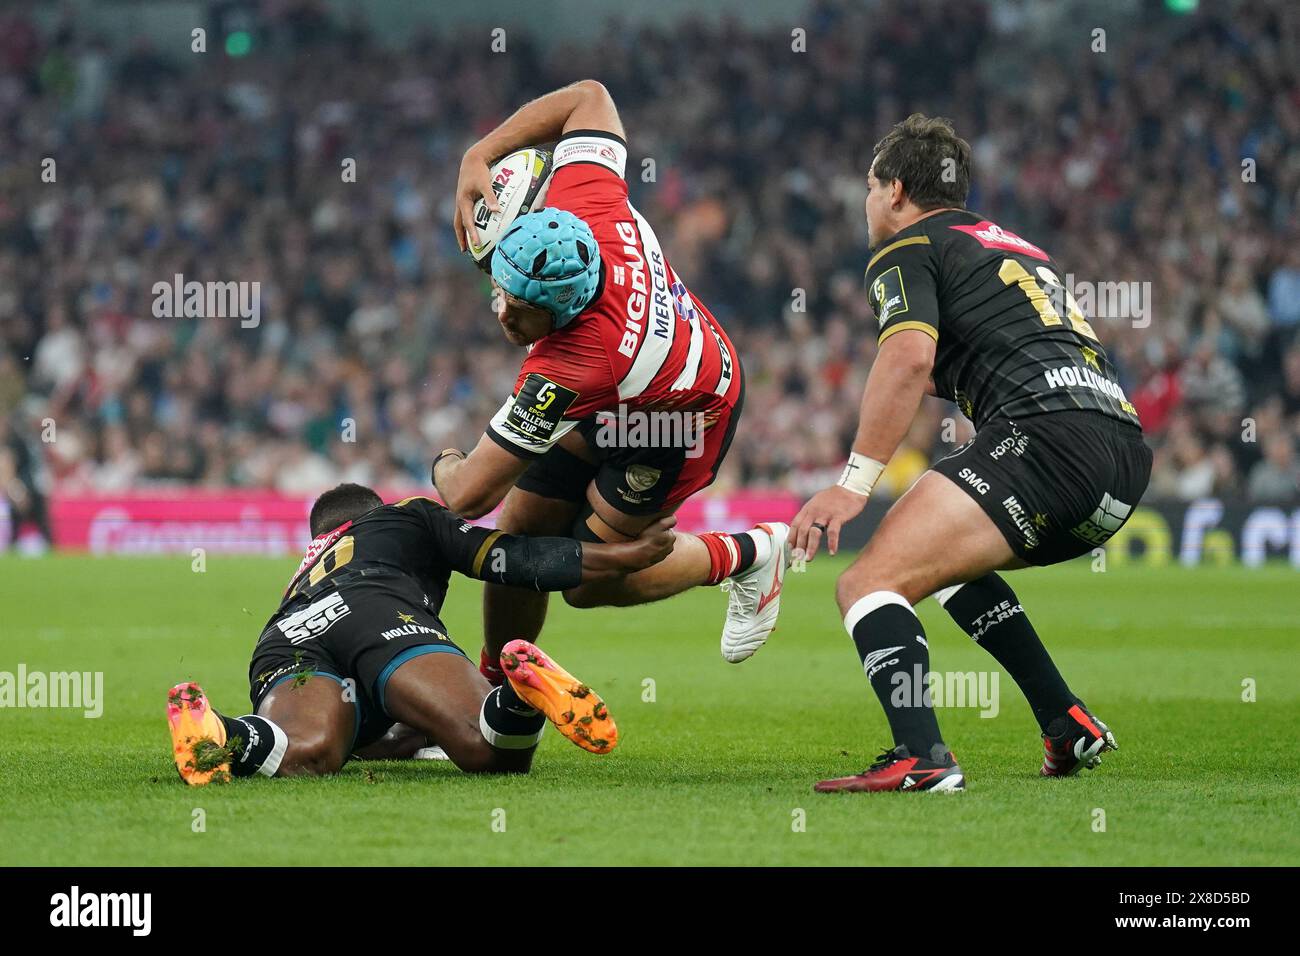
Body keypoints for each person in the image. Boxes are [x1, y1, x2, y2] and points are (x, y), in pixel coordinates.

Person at [792, 114, 1152, 793]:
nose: (867, 202)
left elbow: (909, 357)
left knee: (867, 584)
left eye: (870, 186)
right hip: (1122, 459)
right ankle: (1064, 720)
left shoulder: (905, 246)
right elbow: (968, 358)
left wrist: (851, 483)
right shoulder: (1015, 247)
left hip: (1046, 444)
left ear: (895, 190)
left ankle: (921, 757)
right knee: (944, 568)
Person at [439, 80, 790, 678]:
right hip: (648, 378)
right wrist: (480, 153)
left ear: (550, 306)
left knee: (591, 581)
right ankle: (497, 688)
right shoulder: (584, 199)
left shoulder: (573, 362)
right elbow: (590, 97)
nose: (497, 305)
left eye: (507, 293)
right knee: (522, 535)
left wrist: (443, 460)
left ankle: (748, 553)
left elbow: (467, 494)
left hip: (682, 418)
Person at [166, 482, 675, 785]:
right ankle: (516, 695)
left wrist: (411, 736)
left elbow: (360, 743)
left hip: (286, 635)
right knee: (487, 749)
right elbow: (508, 558)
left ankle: (221, 735)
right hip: (377, 611)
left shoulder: (303, 574)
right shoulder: (404, 516)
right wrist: (620, 557)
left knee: (311, 749)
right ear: (371, 511)